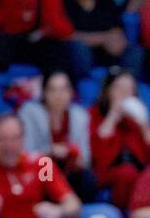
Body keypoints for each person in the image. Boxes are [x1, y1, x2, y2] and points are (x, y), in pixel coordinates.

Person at [0, 112, 93, 218]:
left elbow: (73, 204)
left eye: (15, 138)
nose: (9, 145)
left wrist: (58, 210)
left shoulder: (41, 164)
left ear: (23, 139)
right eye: (2, 139)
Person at [88, 67, 150, 211]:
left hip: (139, 173)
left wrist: (145, 126)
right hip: (106, 173)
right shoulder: (93, 115)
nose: (124, 94)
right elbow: (96, 157)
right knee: (126, 173)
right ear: (107, 91)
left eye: (129, 90)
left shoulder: (138, 119)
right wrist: (112, 117)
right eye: (119, 88)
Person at [18, 70, 94, 201]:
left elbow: (86, 157)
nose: (58, 95)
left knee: (88, 177)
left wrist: (75, 156)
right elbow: (26, 152)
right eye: (53, 90)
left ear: (71, 92)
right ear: (44, 92)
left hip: (69, 168)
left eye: (64, 89)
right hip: (42, 166)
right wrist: (50, 151)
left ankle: (77, 211)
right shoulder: (29, 112)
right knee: (46, 166)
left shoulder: (80, 115)